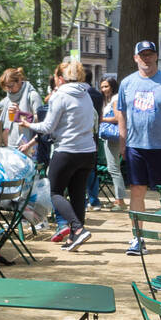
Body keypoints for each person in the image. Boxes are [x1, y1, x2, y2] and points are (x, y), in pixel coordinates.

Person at [116, 41, 161, 255]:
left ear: (156, 57)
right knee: (137, 191)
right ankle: (138, 238)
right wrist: (122, 142)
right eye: (142, 55)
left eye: (150, 54)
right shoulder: (127, 83)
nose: (146, 58)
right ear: (136, 58)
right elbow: (121, 112)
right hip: (136, 146)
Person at [20, 61, 98, 251]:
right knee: (78, 194)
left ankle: (77, 229)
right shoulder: (86, 94)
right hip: (88, 151)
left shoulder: (60, 96)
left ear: (61, 78)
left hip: (67, 150)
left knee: (54, 191)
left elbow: (47, 128)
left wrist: (27, 124)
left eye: (55, 77)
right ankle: (74, 237)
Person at [0, 67, 45, 150]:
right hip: (11, 144)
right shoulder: (10, 96)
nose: (9, 90)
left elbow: (41, 121)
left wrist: (21, 114)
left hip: (29, 146)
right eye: (6, 87)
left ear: (19, 80)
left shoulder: (32, 96)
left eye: (10, 86)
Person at [98, 76, 128, 212]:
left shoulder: (115, 99)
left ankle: (120, 201)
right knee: (113, 168)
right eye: (102, 86)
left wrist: (101, 119)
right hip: (110, 138)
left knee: (114, 168)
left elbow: (117, 118)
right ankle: (117, 199)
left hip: (114, 138)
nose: (103, 89)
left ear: (113, 86)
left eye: (106, 86)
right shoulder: (110, 99)